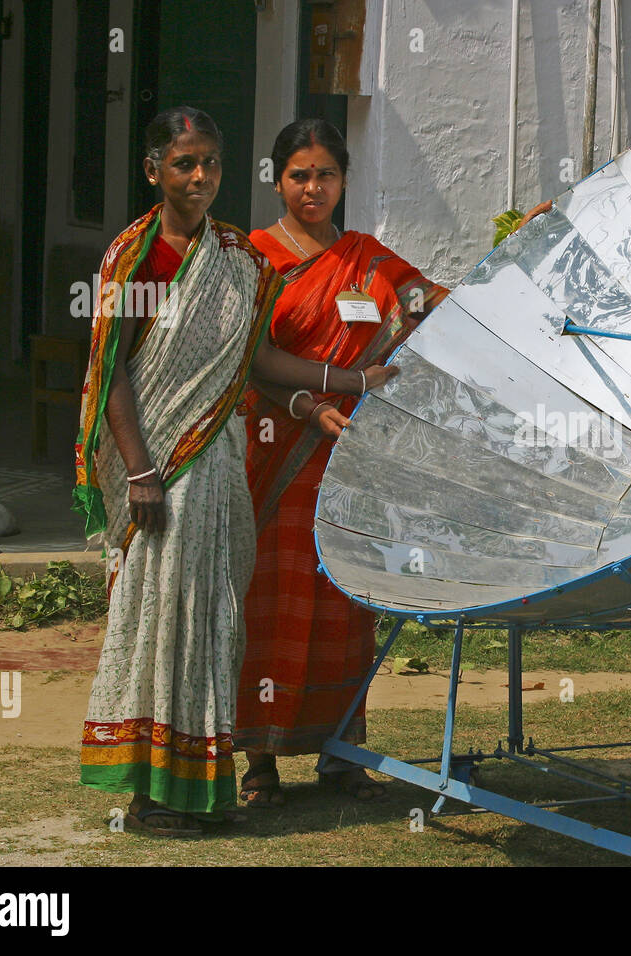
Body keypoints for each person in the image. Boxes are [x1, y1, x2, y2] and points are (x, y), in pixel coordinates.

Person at [73, 107, 399, 836]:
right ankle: (149, 795)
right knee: (159, 620)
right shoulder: (136, 258)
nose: (199, 177)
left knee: (212, 622)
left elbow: (258, 363)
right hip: (157, 467)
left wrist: (348, 382)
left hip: (219, 465)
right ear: (153, 169)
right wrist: (138, 471)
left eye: (212, 163)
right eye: (184, 163)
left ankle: (199, 791)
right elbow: (114, 371)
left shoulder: (237, 259)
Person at [234, 119, 449, 805]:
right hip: (276, 450)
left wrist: (515, 257)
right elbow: (246, 357)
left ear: (345, 180)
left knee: (342, 599)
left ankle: (339, 750)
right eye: (299, 175)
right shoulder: (254, 257)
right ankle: (261, 758)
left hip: (350, 458)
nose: (313, 188)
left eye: (325, 174)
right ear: (277, 181)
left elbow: (430, 306)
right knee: (272, 601)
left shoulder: (368, 262)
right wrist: (308, 401)